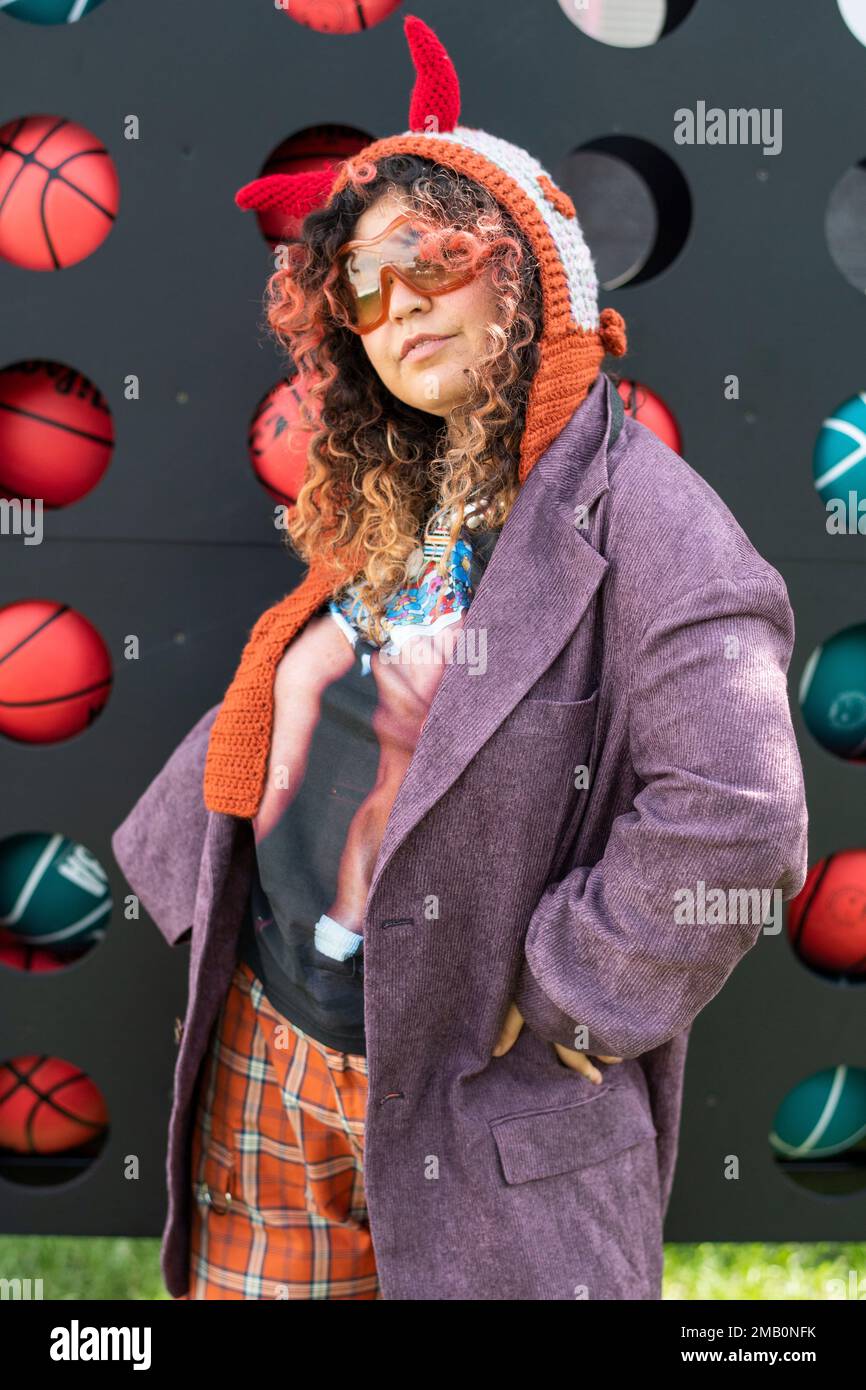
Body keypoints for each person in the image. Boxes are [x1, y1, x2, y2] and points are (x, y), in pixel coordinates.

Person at [111, 14, 808, 1301]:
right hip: (270, 1042)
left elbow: (743, 816)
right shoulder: (405, 481)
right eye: (359, 291)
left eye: (424, 259)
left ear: (527, 264)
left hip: (471, 1098)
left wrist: (562, 991)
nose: (392, 307)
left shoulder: (660, 530)